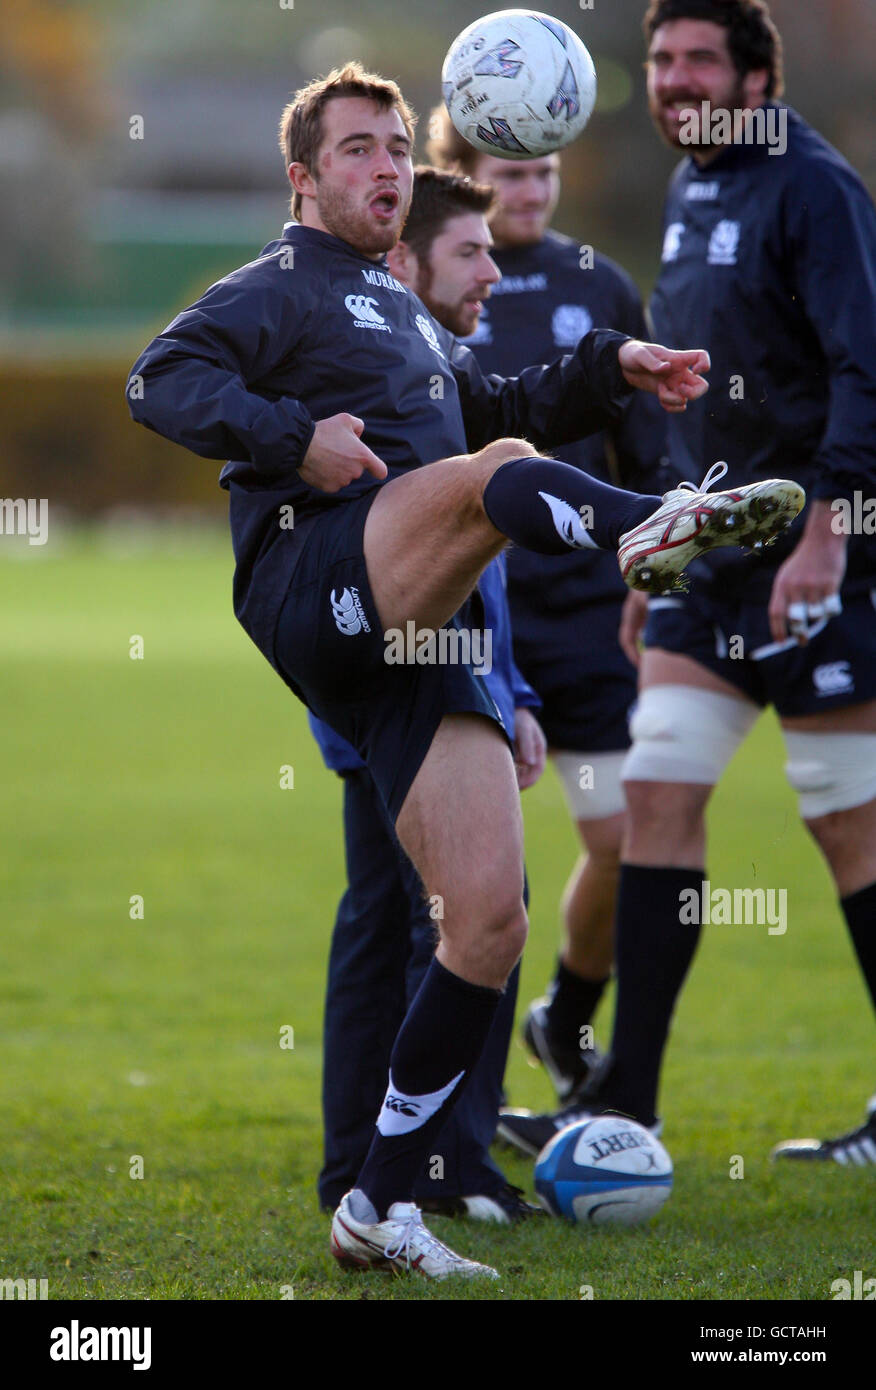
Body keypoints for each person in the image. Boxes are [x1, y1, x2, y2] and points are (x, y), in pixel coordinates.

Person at [126, 61, 800, 1279]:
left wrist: (609, 370)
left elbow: (483, 403)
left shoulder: (396, 309)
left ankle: (379, 1203)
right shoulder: (282, 281)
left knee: (486, 921)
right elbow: (156, 378)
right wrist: (294, 439)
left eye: (395, 145)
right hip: (313, 577)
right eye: (356, 150)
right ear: (303, 178)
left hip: (419, 640)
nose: (386, 166)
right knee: (497, 468)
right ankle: (655, 525)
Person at [497, 0, 876, 1166]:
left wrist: (830, 528)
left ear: (757, 76)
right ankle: (626, 1102)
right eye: (660, 61)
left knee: (845, 822)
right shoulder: (693, 183)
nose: (672, 79)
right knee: (655, 796)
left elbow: (869, 368)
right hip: (703, 563)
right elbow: (691, 394)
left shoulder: (814, 189)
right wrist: (656, 543)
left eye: (697, 59)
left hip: (817, 559)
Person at [313, 167, 547, 1222]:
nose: (494, 269)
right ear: (403, 259)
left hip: (449, 685)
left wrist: (516, 689)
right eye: (471, 251)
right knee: (458, 917)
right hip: (392, 694)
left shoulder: (436, 370)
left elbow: (474, 565)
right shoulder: (379, 372)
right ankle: (437, 1173)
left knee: (397, 914)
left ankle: (367, 1168)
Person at [427, 111, 669, 1105]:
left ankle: (565, 1013)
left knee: (621, 840)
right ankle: (455, 1119)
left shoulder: (598, 281)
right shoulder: (434, 287)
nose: (532, 191)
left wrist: (658, 563)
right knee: (487, 883)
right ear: (465, 175)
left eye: (545, 172)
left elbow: (647, 447)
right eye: (511, 174)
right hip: (478, 615)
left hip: (587, 614)